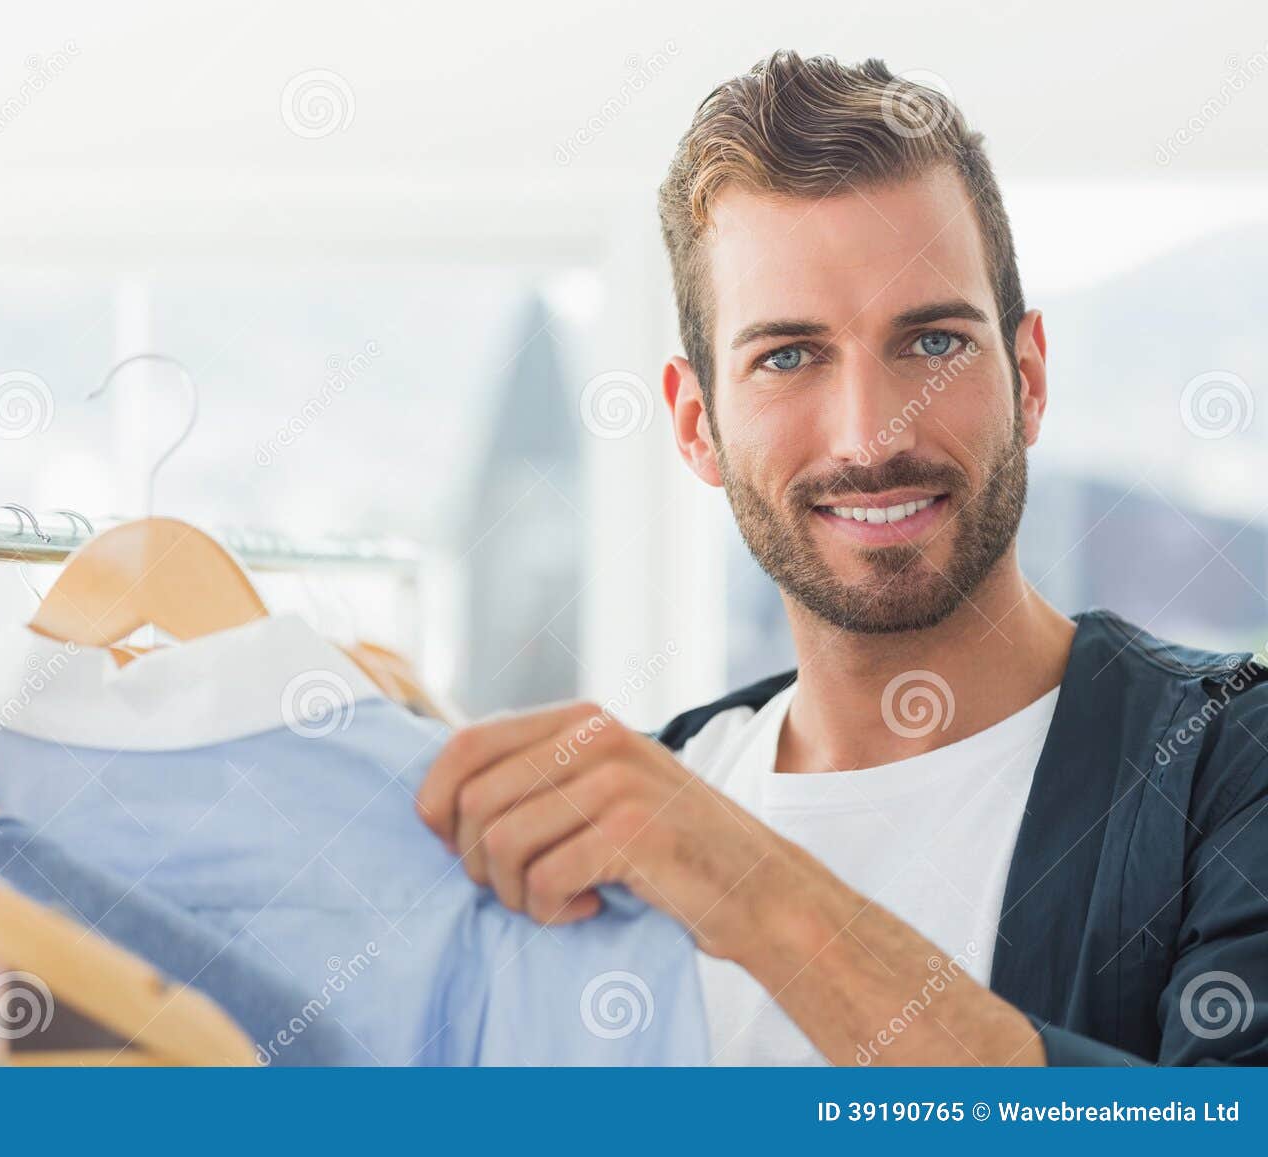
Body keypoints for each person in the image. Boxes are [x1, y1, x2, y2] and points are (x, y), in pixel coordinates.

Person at [417, 50, 1268, 1066]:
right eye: (787, 356)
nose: (870, 436)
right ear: (696, 424)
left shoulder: (1229, 764)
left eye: (933, 342)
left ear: (1028, 378)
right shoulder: (609, 830)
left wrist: (756, 893)